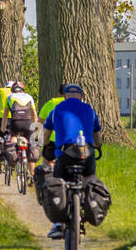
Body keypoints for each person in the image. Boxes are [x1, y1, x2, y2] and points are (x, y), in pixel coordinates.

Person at [41, 83, 103, 239]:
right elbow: (97, 135)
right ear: (81, 96)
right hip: (87, 154)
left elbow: (46, 132)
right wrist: (97, 146)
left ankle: (57, 225)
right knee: (90, 179)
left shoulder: (57, 110)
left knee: (58, 180)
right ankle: (90, 207)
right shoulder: (90, 109)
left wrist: (46, 144)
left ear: (65, 96)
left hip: (65, 155)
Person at [33, 85, 67, 202]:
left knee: (47, 162)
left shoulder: (50, 103)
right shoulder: (78, 104)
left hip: (52, 141)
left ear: (59, 94)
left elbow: (40, 123)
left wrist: (36, 141)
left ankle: (47, 189)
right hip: (72, 143)